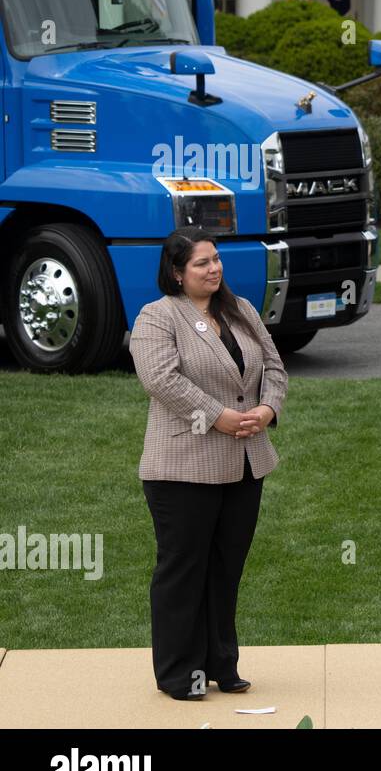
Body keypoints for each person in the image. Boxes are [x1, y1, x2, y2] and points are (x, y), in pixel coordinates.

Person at [129, 226, 287, 701]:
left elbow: (275, 368)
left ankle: (222, 664)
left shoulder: (239, 311)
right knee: (184, 569)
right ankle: (180, 674)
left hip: (244, 464)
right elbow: (162, 380)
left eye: (216, 259)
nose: (214, 268)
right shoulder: (156, 317)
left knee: (225, 568)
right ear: (177, 273)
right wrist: (220, 417)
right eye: (202, 263)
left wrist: (266, 409)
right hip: (181, 468)